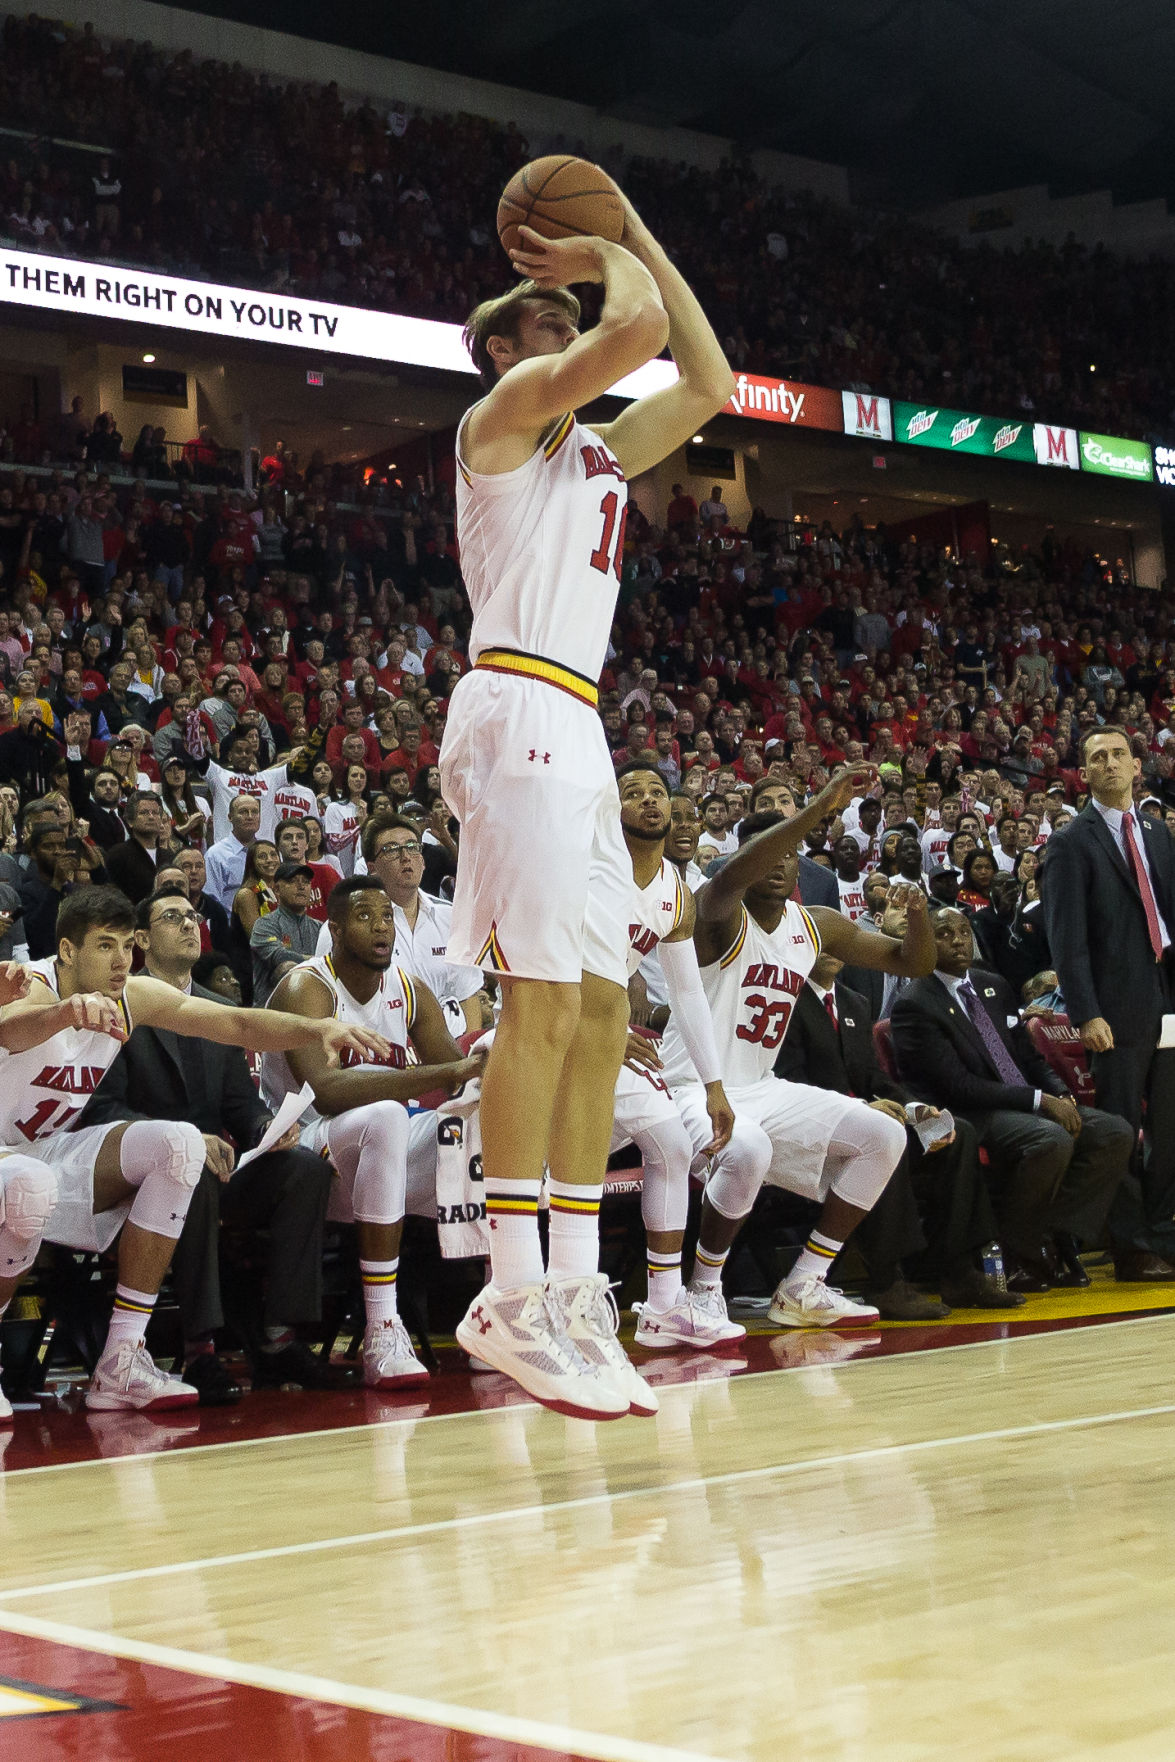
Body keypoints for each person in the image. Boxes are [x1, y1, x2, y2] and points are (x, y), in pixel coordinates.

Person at [437, 181, 733, 1418]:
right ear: (504, 346)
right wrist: (604, 255)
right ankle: (507, 1290)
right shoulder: (500, 414)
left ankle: (568, 1283)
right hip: (516, 707)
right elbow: (636, 338)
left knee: (604, 1010)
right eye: (541, 316)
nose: (565, 326)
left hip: (579, 721)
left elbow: (706, 381)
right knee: (544, 1004)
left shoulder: (600, 448)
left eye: (573, 310)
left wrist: (635, 239)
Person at [0, 886, 389, 1411]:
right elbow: (11, 1030)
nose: (121, 962)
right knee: (29, 1186)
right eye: (103, 947)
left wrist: (314, 1028)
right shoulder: (35, 984)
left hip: (52, 1148)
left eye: (124, 947)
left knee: (180, 1144)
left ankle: (121, 1361)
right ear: (67, 951)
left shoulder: (132, 995)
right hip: (8, 1157)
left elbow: (234, 1022)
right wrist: (65, 1014)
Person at [659, 769, 937, 1328]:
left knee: (884, 1136)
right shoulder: (715, 910)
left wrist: (918, 916)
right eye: (773, 851)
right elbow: (735, 872)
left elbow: (915, 963)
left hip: (761, 1087)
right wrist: (813, 810)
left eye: (793, 856)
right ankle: (703, 1292)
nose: (782, 864)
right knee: (747, 1150)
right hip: (690, 1084)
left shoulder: (817, 926)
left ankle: (805, 1282)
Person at [76, 884, 338, 1403]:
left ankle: (278, 1335)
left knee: (305, 1169)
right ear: (143, 941)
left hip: (217, 1170)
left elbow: (241, 1106)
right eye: (173, 916)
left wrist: (268, 1129)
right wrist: (188, 1140)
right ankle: (200, 1348)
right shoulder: (119, 1006)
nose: (189, 922)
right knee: (187, 1170)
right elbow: (103, 1111)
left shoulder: (219, 1006)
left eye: (193, 914)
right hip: (141, 1174)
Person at [262, 876, 485, 1389]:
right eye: (365, 917)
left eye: (386, 916)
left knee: (482, 1116)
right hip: (303, 1152)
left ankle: (497, 1307)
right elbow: (328, 1093)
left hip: (383, 1157)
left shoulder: (406, 987)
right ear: (334, 932)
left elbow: (458, 1074)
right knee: (386, 1113)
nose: (381, 927)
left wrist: (488, 1064)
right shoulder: (307, 987)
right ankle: (383, 1327)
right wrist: (447, 1075)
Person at [890, 908, 1133, 1290]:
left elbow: (1030, 1057)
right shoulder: (915, 1003)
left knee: (1115, 1132)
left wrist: (1061, 1092)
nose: (958, 940)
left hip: (1022, 1103)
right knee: (1049, 1139)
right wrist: (1040, 1101)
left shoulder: (993, 985)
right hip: (970, 1113)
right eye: (944, 933)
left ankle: (1046, 1233)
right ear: (924, 942)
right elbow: (957, 1086)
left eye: (964, 931)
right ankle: (1020, 1253)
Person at [777, 950, 1020, 1314]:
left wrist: (914, 1109)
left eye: (835, 942)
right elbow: (789, 1080)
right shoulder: (785, 1003)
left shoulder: (854, 1001)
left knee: (961, 1135)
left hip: (864, 1119)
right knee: (881, 1139)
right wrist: (857, 1109)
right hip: (814, 1128)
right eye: (819, 941)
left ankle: (958, 1270)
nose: (828, 950)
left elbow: (873, 1076)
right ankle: (886, 1281)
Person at [609, 762, 739, 1348]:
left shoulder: (674, 894)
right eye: (631, 793)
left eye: (656, 791)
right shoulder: (589, 871)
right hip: (549, 1031)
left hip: (607, 1040)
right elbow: (549, 966)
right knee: (539, 1167)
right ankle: (535, 1297)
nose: (646, 801)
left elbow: (687, 993)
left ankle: (663, 1304)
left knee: (672, 1140)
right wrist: (610, 1029)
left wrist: (713, 1085)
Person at [1042, 726, 1175, 1278]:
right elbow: (1065, 939)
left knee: (1169, 1126)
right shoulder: (1070, 841)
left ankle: (1165, 1231)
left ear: (1137, 766)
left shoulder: (1157, 831)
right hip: (1116, 1004)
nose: (1112, 764)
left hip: (1167, 992)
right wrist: (1086, 1012)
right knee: (1120, 1126)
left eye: (1120, 754)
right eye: (1099, 757)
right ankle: (1130, 1245)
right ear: (1085, 773)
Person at [336, 814, 483, 1034]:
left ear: (423, 862)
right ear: (371, 867)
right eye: (391, 849)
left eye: (413, 847)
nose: (406, 856)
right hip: (383, 1054)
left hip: (451, 1051)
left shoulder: (450, 916)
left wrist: (468, 1054)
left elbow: (467, 995)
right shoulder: (348, 924)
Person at [250, 861, 319, 1004]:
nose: (301, 886)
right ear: (277, 890)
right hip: (271, 1010)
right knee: (286, 967)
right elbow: (279, 956)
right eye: (292, 881)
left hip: (313, 1007)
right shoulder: (265, 924)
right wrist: (321, 962)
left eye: (306, 882)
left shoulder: (319, 927)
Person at [103, 789, 165, 905]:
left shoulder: (169, 855)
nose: (151, 817)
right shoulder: (118, 854)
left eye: (155, 813)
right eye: (144, 813)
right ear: (130, 821)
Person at [204, 792, 261, 913]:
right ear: (230, 817)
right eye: (243, 812)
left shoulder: (268, 851)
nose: (250, 816)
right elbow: (210, 900)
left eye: (255, 812)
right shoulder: (215, 855)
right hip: (230, 928)